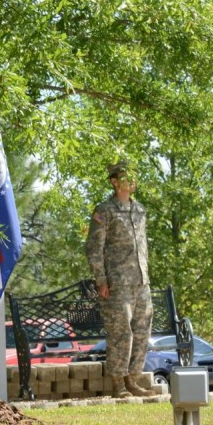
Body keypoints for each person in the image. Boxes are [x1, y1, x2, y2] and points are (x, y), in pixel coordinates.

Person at [86, 160, 154, 398]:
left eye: (134, 175)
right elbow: (94, 247)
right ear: (115, 182)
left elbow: (142, 247)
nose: (132, 180)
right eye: (127, 176)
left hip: (140, 282)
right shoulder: (105, 210)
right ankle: (118, 384)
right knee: (120, 332)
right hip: (117, 283)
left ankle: (133, 379)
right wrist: (101, 280)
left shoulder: (140, 209)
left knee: (142, 331)